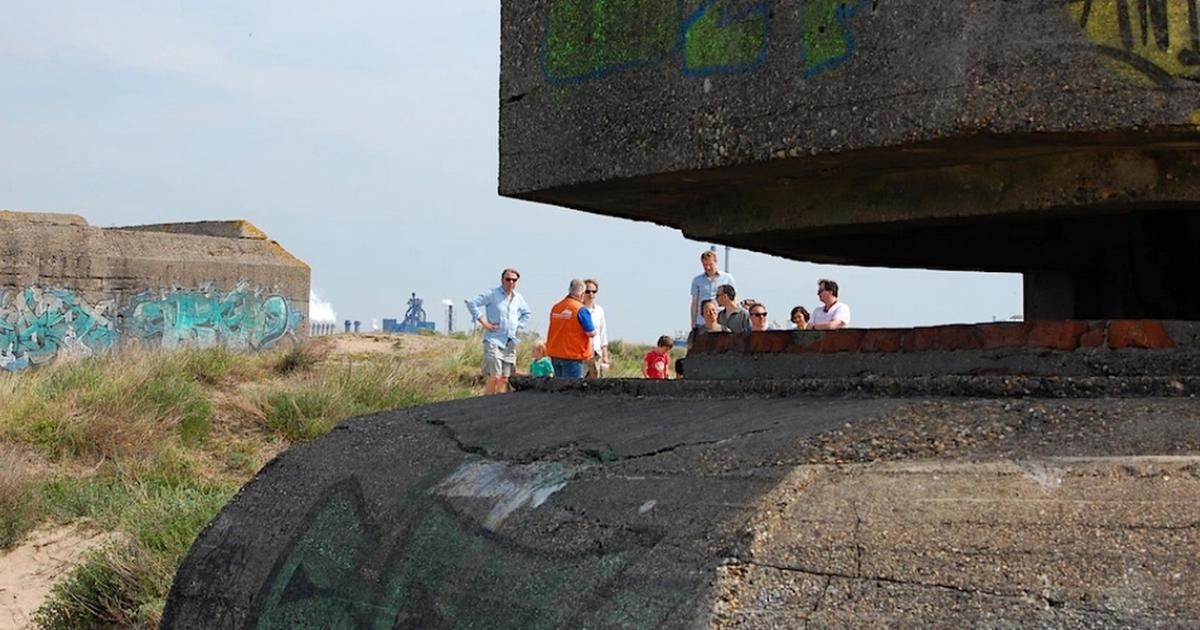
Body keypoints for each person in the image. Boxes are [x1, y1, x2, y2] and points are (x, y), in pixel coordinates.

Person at [466, 267, 532, 395]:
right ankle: (489, 400)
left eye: (514, 280)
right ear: (502, 280)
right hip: (494, 339)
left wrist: (517, 324)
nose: (511, 283)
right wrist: (484, 322)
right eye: (508, 279)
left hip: (510, 341)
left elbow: (526, 312)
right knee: (494, 376)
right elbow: (472, 303)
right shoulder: (493, 294)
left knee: (505, 378)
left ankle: (499, 404)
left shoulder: (517, 297)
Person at [545, 279, 596, 378]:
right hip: (572, 356)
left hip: (555, 353)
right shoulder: (580, 309)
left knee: (560, 388)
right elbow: (591, 332)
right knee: (572, 389)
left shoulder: (556, 307)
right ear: (581, 294)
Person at [690, 250, 734, 331]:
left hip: (721, 320)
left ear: (716, 262)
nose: (708, 268)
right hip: (702, 322)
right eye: (705, 265)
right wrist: (693, 323)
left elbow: (733, 299)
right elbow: (694, 303)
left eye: (710, 264)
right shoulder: (697, 280)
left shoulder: (727, 278)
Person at [582, 278, 609, 378]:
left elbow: (602, 333)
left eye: (594, 291)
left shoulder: (599, 310)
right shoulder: (578, 309)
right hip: (582, 353)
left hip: (596, 353)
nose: (591, 294)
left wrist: (605, 355)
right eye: (588, 291)